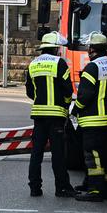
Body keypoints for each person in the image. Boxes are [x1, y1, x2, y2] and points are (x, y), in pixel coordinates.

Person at [73, 31, 107, 202]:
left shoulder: (92, 68)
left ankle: (95, 190)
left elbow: (84, 96)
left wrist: (75, 110)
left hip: (92, 121)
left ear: (92, 49)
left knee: (92, 156)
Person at [25, 33, 74, 198]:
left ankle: (34, 188)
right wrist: (65, 104)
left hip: (38, 114)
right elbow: (68, 90)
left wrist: (41, 100)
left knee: (36, 152)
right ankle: (61, 188)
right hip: (56, 116)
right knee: (58, 153)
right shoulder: (59, 63)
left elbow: (30, 92)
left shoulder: (33, 64)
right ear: (55, 48)